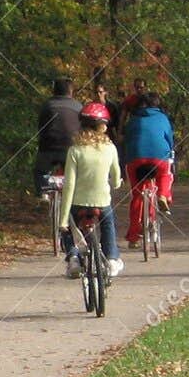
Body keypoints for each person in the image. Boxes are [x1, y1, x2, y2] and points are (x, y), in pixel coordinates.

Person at [57, 101, 124, 279]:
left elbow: (69, 184)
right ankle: (111, 258)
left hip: (78, 202)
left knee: (69, 228)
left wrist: (63, 219)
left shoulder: (75, 151)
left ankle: (73, 258)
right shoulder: (110, 148)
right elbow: (116, 178)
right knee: (108, 224)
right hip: (102, 202)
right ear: (102, 127)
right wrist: (116, 183)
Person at [121, 92, 175, 247]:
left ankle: (133, 237)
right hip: (159, 157)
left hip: (135, 158)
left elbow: (126, 138)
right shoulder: (163, 118)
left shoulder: (133, 119)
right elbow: (170, 139)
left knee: (137, 195)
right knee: (165, 174)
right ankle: (163, 195)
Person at [33, 78, 81, 194]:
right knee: (75, 174)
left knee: (40, 172)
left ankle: (43, 193)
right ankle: (73, 195)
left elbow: (40, 128)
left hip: (48, 148)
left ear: (54, 91)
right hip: (70, 149)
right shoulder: (78, 107)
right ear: (71, 91)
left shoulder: (47, 105)